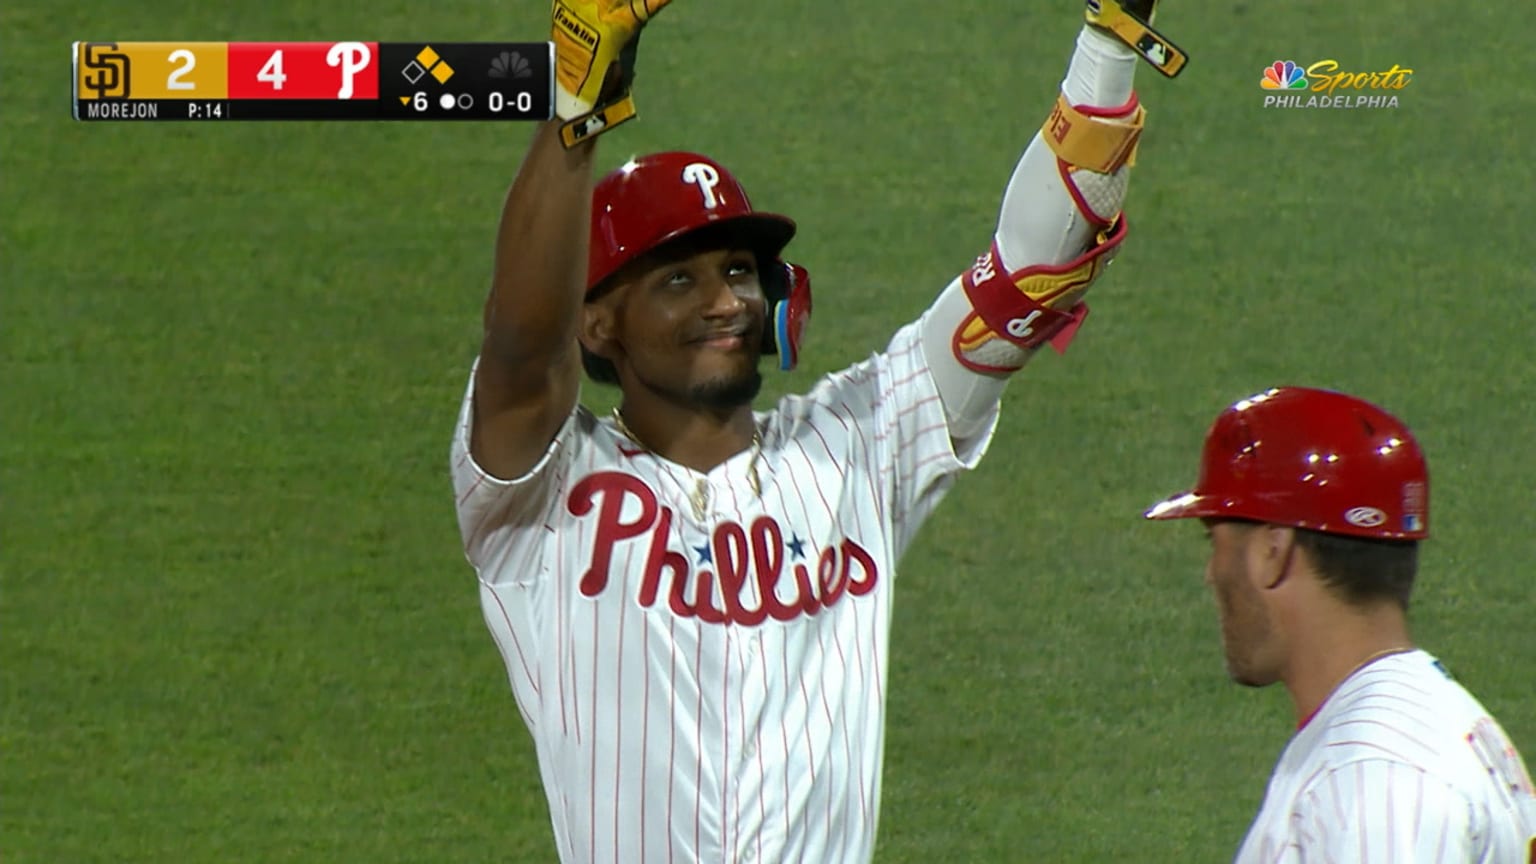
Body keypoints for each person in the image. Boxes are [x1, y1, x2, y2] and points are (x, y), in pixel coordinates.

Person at [450, 0, 1185, 860]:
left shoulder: (861, 446)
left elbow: (1034, 271)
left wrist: (1106, 42)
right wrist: (574, 114)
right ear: (599, 325)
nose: (726, 300)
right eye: (678, 282)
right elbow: (521, 342)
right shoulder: (543, 498)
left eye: (736, 271)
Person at [1144, 386, 1536, 863]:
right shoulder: (1422, 721)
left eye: (1215, 541)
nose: (1211, 574)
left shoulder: (1378, 771)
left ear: (1274, 550)